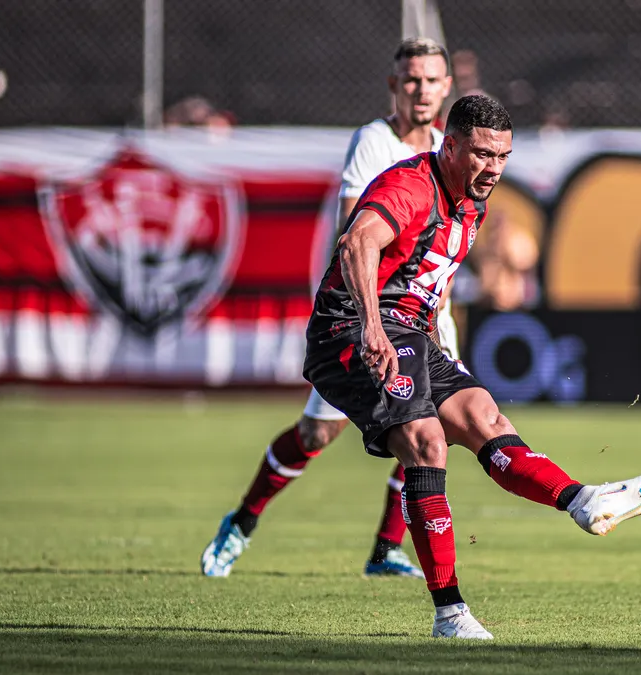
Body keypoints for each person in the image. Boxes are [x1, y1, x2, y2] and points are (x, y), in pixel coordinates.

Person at [304, 93, 641, 640]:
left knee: (484, 416)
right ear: (449, 146)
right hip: (351, 328)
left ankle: (582, 501)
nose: (493, 168)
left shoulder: (474, 203)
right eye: (481, 154)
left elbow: (428, 281)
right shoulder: (409, 187)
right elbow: (358, 242)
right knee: (426, 440)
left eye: (502, 156)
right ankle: (449, 613)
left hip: (412, 332)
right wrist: (374, 329)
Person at [201, 38, 455, 579]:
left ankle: (387, 548)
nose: (422, 90)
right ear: (394, 86)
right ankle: (242, 522)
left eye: (432, 80)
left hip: (429, 315)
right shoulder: (375, 141)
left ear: (447, 87)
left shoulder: (448, 148)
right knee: (318, 434)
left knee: (428, 428)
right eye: (411, 79)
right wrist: (371, 321)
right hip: (365, 313)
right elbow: (355, 234)